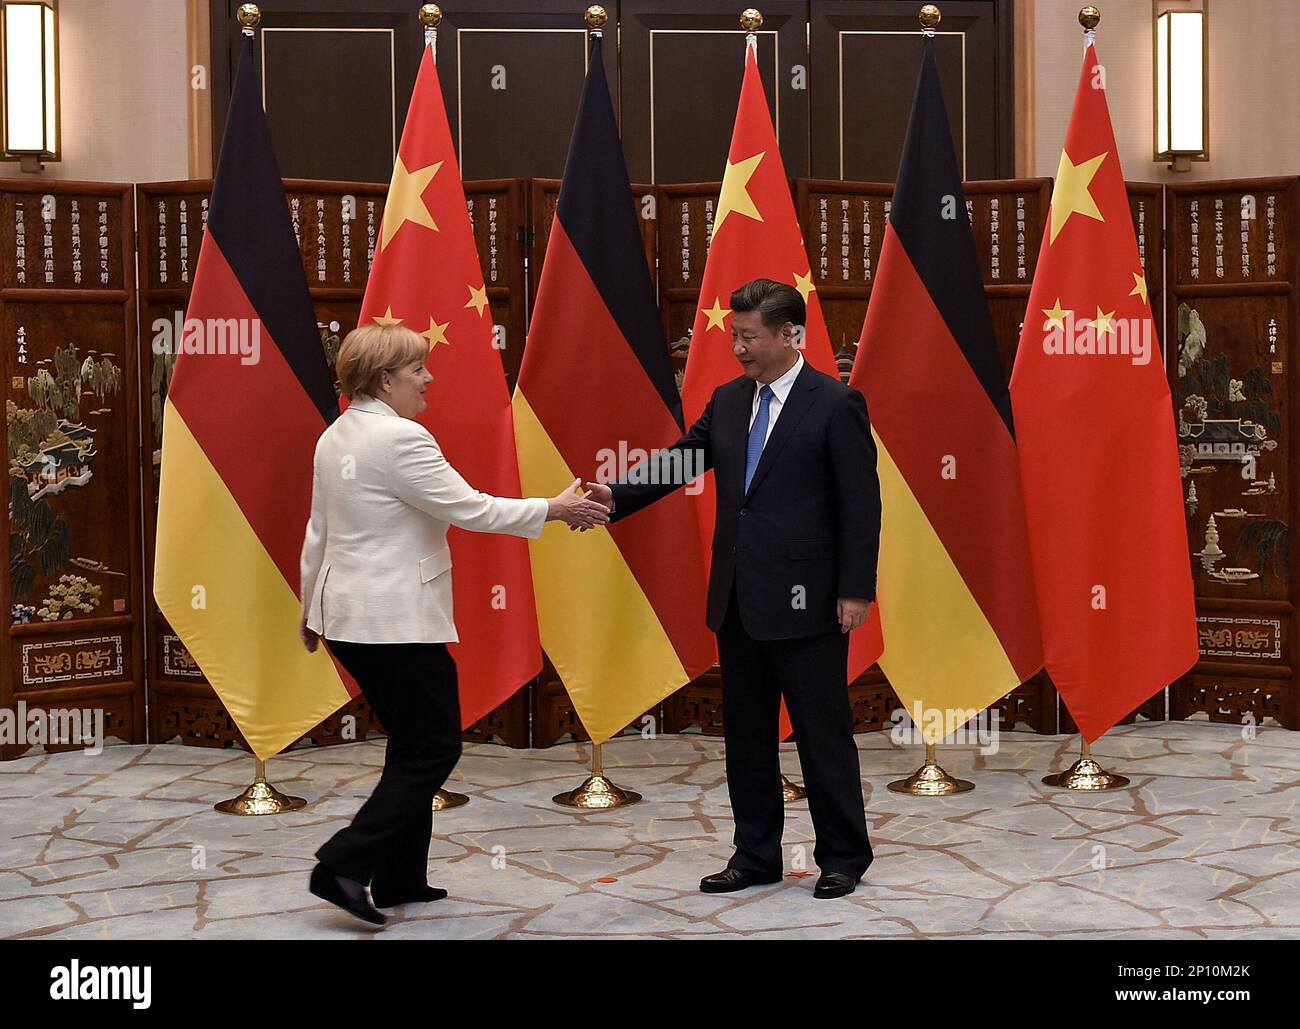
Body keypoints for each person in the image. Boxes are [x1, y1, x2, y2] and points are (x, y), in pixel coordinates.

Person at [299, 324, 609, 926]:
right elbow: (471, 508)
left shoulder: (336, 435)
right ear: (386, 379)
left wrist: (311, 607)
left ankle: (399, 877)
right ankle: (342, 863)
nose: (428, 378)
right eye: (417, 369)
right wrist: (557, 507)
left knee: (412, 744)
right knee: (433, 747)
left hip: (350, 616)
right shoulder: (401, 438)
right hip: (393, 622)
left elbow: (318, 531)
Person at [585, 279, 881, 899]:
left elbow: (862, 505)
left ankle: (844, 856)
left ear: (790, 335)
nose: (739, 348)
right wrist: (619, 493)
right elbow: (684, 458)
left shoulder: (835, 403)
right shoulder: (726, 399)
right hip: (739, 598)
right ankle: (754, 854)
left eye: (749, 336)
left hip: (808, 601)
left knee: (820, 733)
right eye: (734, 335)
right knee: (747, 737)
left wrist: (855, 589)